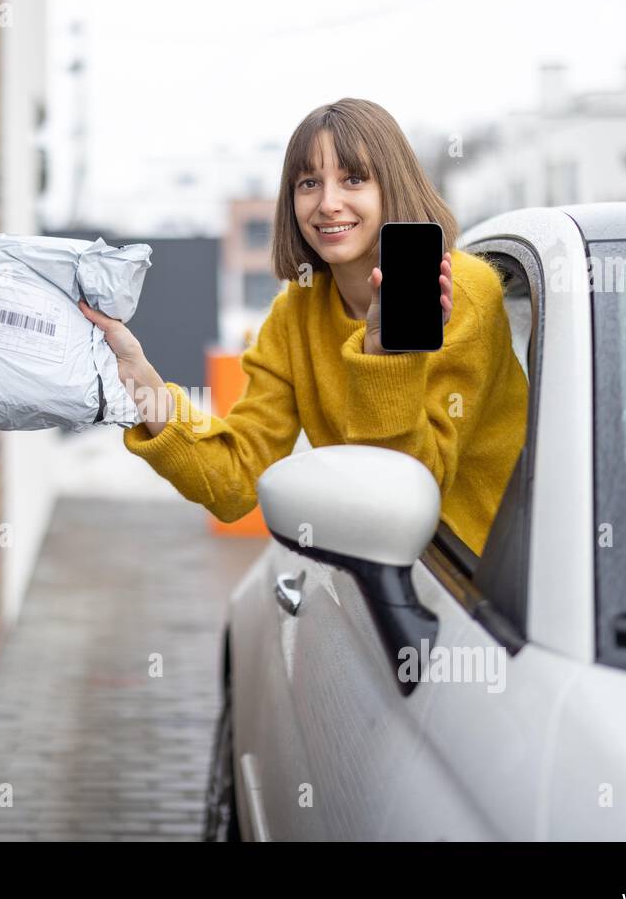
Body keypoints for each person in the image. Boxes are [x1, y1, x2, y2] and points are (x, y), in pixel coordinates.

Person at [77, 98, 528, 557]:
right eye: (309, 183)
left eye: (354, 178)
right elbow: (235, 480)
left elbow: (407, 496)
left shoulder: (460, 293)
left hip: (486, 584)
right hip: (374, 575)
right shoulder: (297, 313)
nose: (328, 204)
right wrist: (141, 384)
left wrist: (387, 362)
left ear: (392, 187)